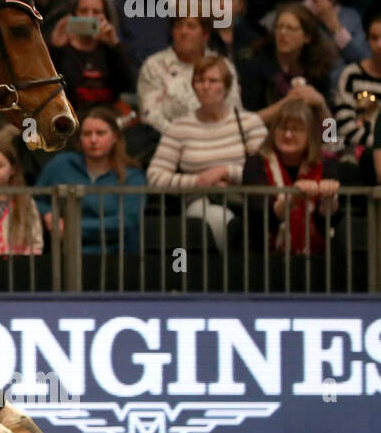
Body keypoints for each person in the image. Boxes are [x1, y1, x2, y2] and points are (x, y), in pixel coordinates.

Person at [147, 56, 267, 253]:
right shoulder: (180, 127)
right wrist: (198, 182)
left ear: (226, 87)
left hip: (245, 201)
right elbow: (155, 177)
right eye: (200, 81)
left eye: (213, 81)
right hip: (200, 202)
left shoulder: (249, 122)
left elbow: (267, 169)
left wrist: (226, 171)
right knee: (217, 220)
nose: (205, 86)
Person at [34, 106, 146, 253]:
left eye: (100, 133)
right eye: (87, 134)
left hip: (117, 258)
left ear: (115, 137)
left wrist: (71, 227)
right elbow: (33, 200)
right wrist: (49, 214)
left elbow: (127, 222)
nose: (93, 140)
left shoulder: (132, 177)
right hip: (67, 257)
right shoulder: (61, 165)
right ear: (79, 139)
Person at [241, 99, 340, 256]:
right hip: (265, 257)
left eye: (296, 129)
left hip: (317, 258)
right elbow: (259, 213)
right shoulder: (255, 163)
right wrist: (292, 199)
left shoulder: (327, 164)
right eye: (282, 128)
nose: (287, 135)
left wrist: (329, 198)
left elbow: (330, 221)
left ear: (310, 135)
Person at [137, 13, 241, 134]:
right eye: (178, 26)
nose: (183, 32)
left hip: (222, 140)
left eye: (191, 26)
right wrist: (188, 140)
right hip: (172, 143)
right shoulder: (154, 65)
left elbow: (235, 110)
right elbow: (150, 116)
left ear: (205, 34)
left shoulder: (224, 66)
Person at [46, 0, 133, 111]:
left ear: (106, 17)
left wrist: (114, 47)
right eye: (83, 11)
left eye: (96, 12)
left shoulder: (112, 50)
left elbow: (126, 86)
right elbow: (51, 90)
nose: (89, 17)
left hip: (106, 117)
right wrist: (55, 49)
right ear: (74, 14)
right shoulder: (61, 48)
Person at [332, 13, 381, 181]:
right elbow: (344, 125)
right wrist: (376, 145)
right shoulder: (351, 74)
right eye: (374, 38)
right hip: (355, 152)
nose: (380, 44)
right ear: (367, 40)